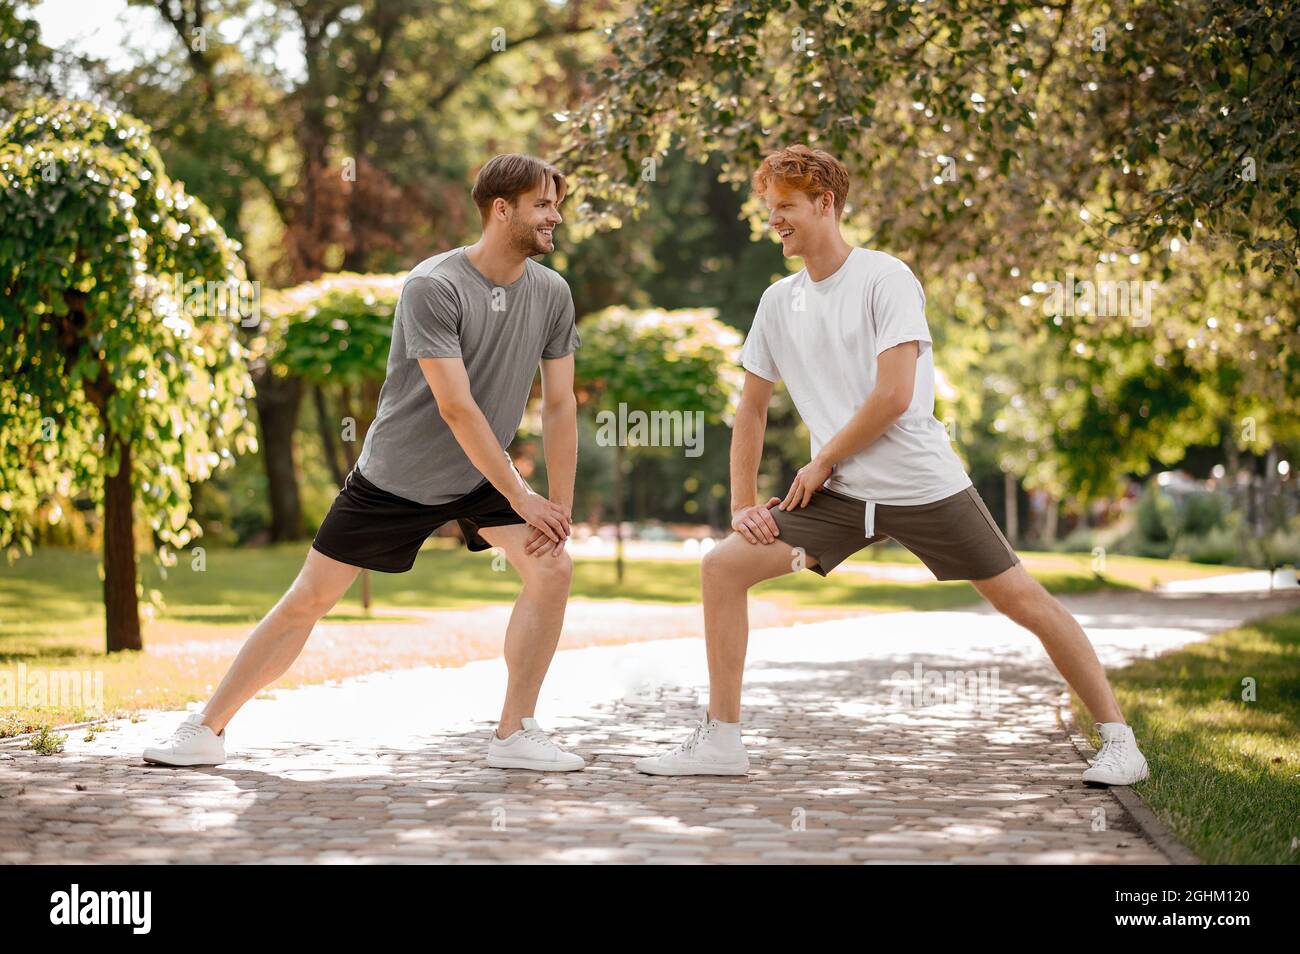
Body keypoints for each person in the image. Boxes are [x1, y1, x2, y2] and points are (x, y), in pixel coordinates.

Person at [635, 145, 1150, 787]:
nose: (776, 221)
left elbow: (895, 395)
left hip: (920, 486)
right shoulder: (777, 303)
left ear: (826, 204)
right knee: (722, 568)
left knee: (1025, 601)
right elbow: (752, 411)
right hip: (845, 499)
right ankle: (722, 740)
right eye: (770, 209)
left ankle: (1120, 742)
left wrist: (821, 460)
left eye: (787, 207)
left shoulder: (885, 278)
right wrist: (744, 505)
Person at [144, 154, 586, 772]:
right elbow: (456, 407)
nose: (555, 216)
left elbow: (561, 404)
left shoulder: (551, 293)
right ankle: (205, 728)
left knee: (552, 569)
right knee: (309, 600)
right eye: (543, 204)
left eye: (555, 204)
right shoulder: (434, 287)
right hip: (398, 477)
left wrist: (556, 506)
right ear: (501, 209)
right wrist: (523, 497)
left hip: (485, 475)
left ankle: (515, 733)